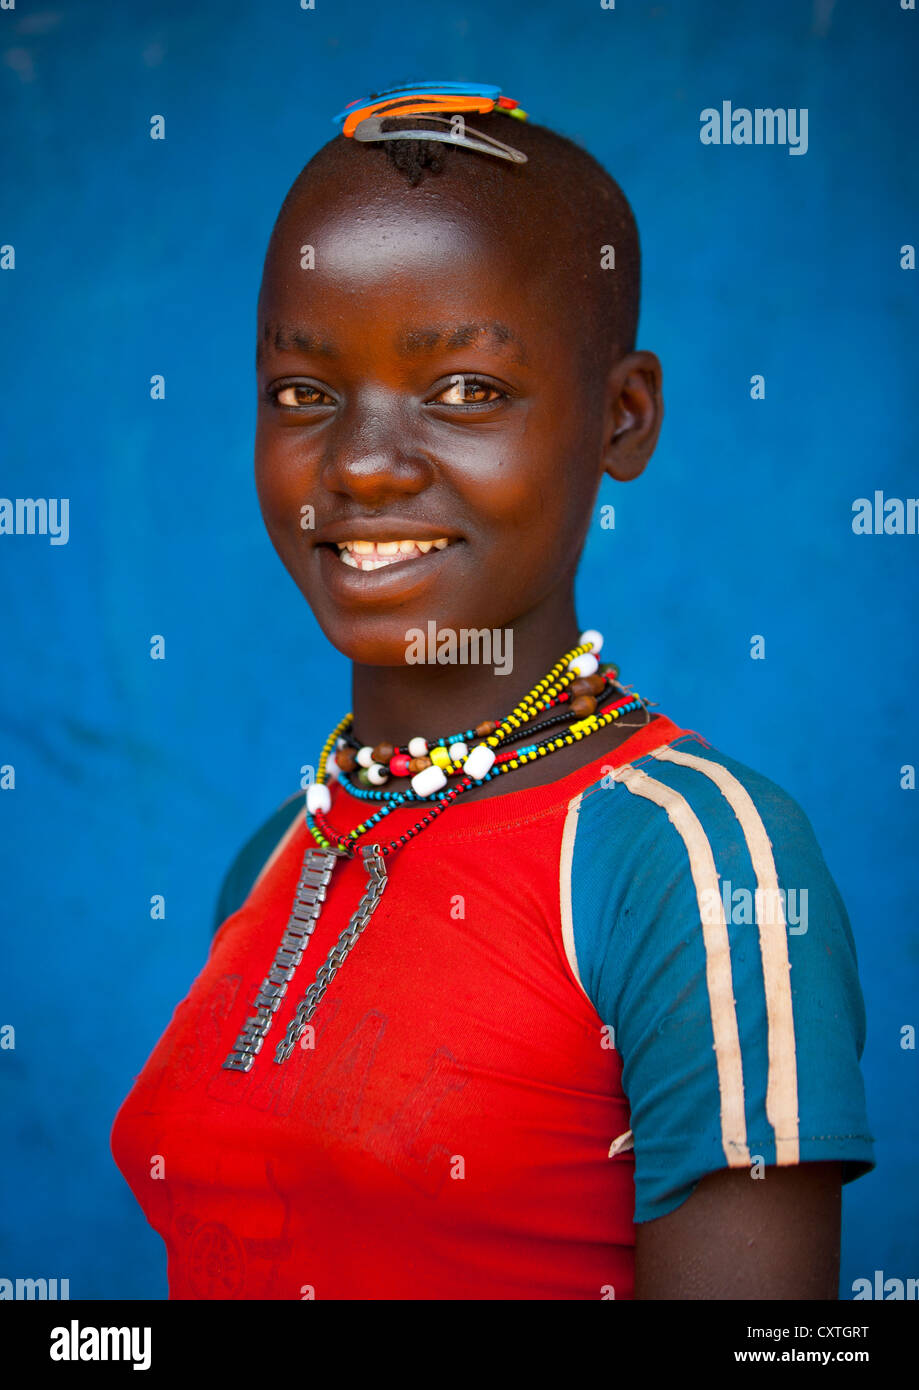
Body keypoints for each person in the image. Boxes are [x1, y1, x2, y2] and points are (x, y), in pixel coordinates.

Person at [111, 82, 874, 1300]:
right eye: (304, 393)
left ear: (623, 418)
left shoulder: (692, 862)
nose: (360, 462)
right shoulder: (276, 860)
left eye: (464, 390)